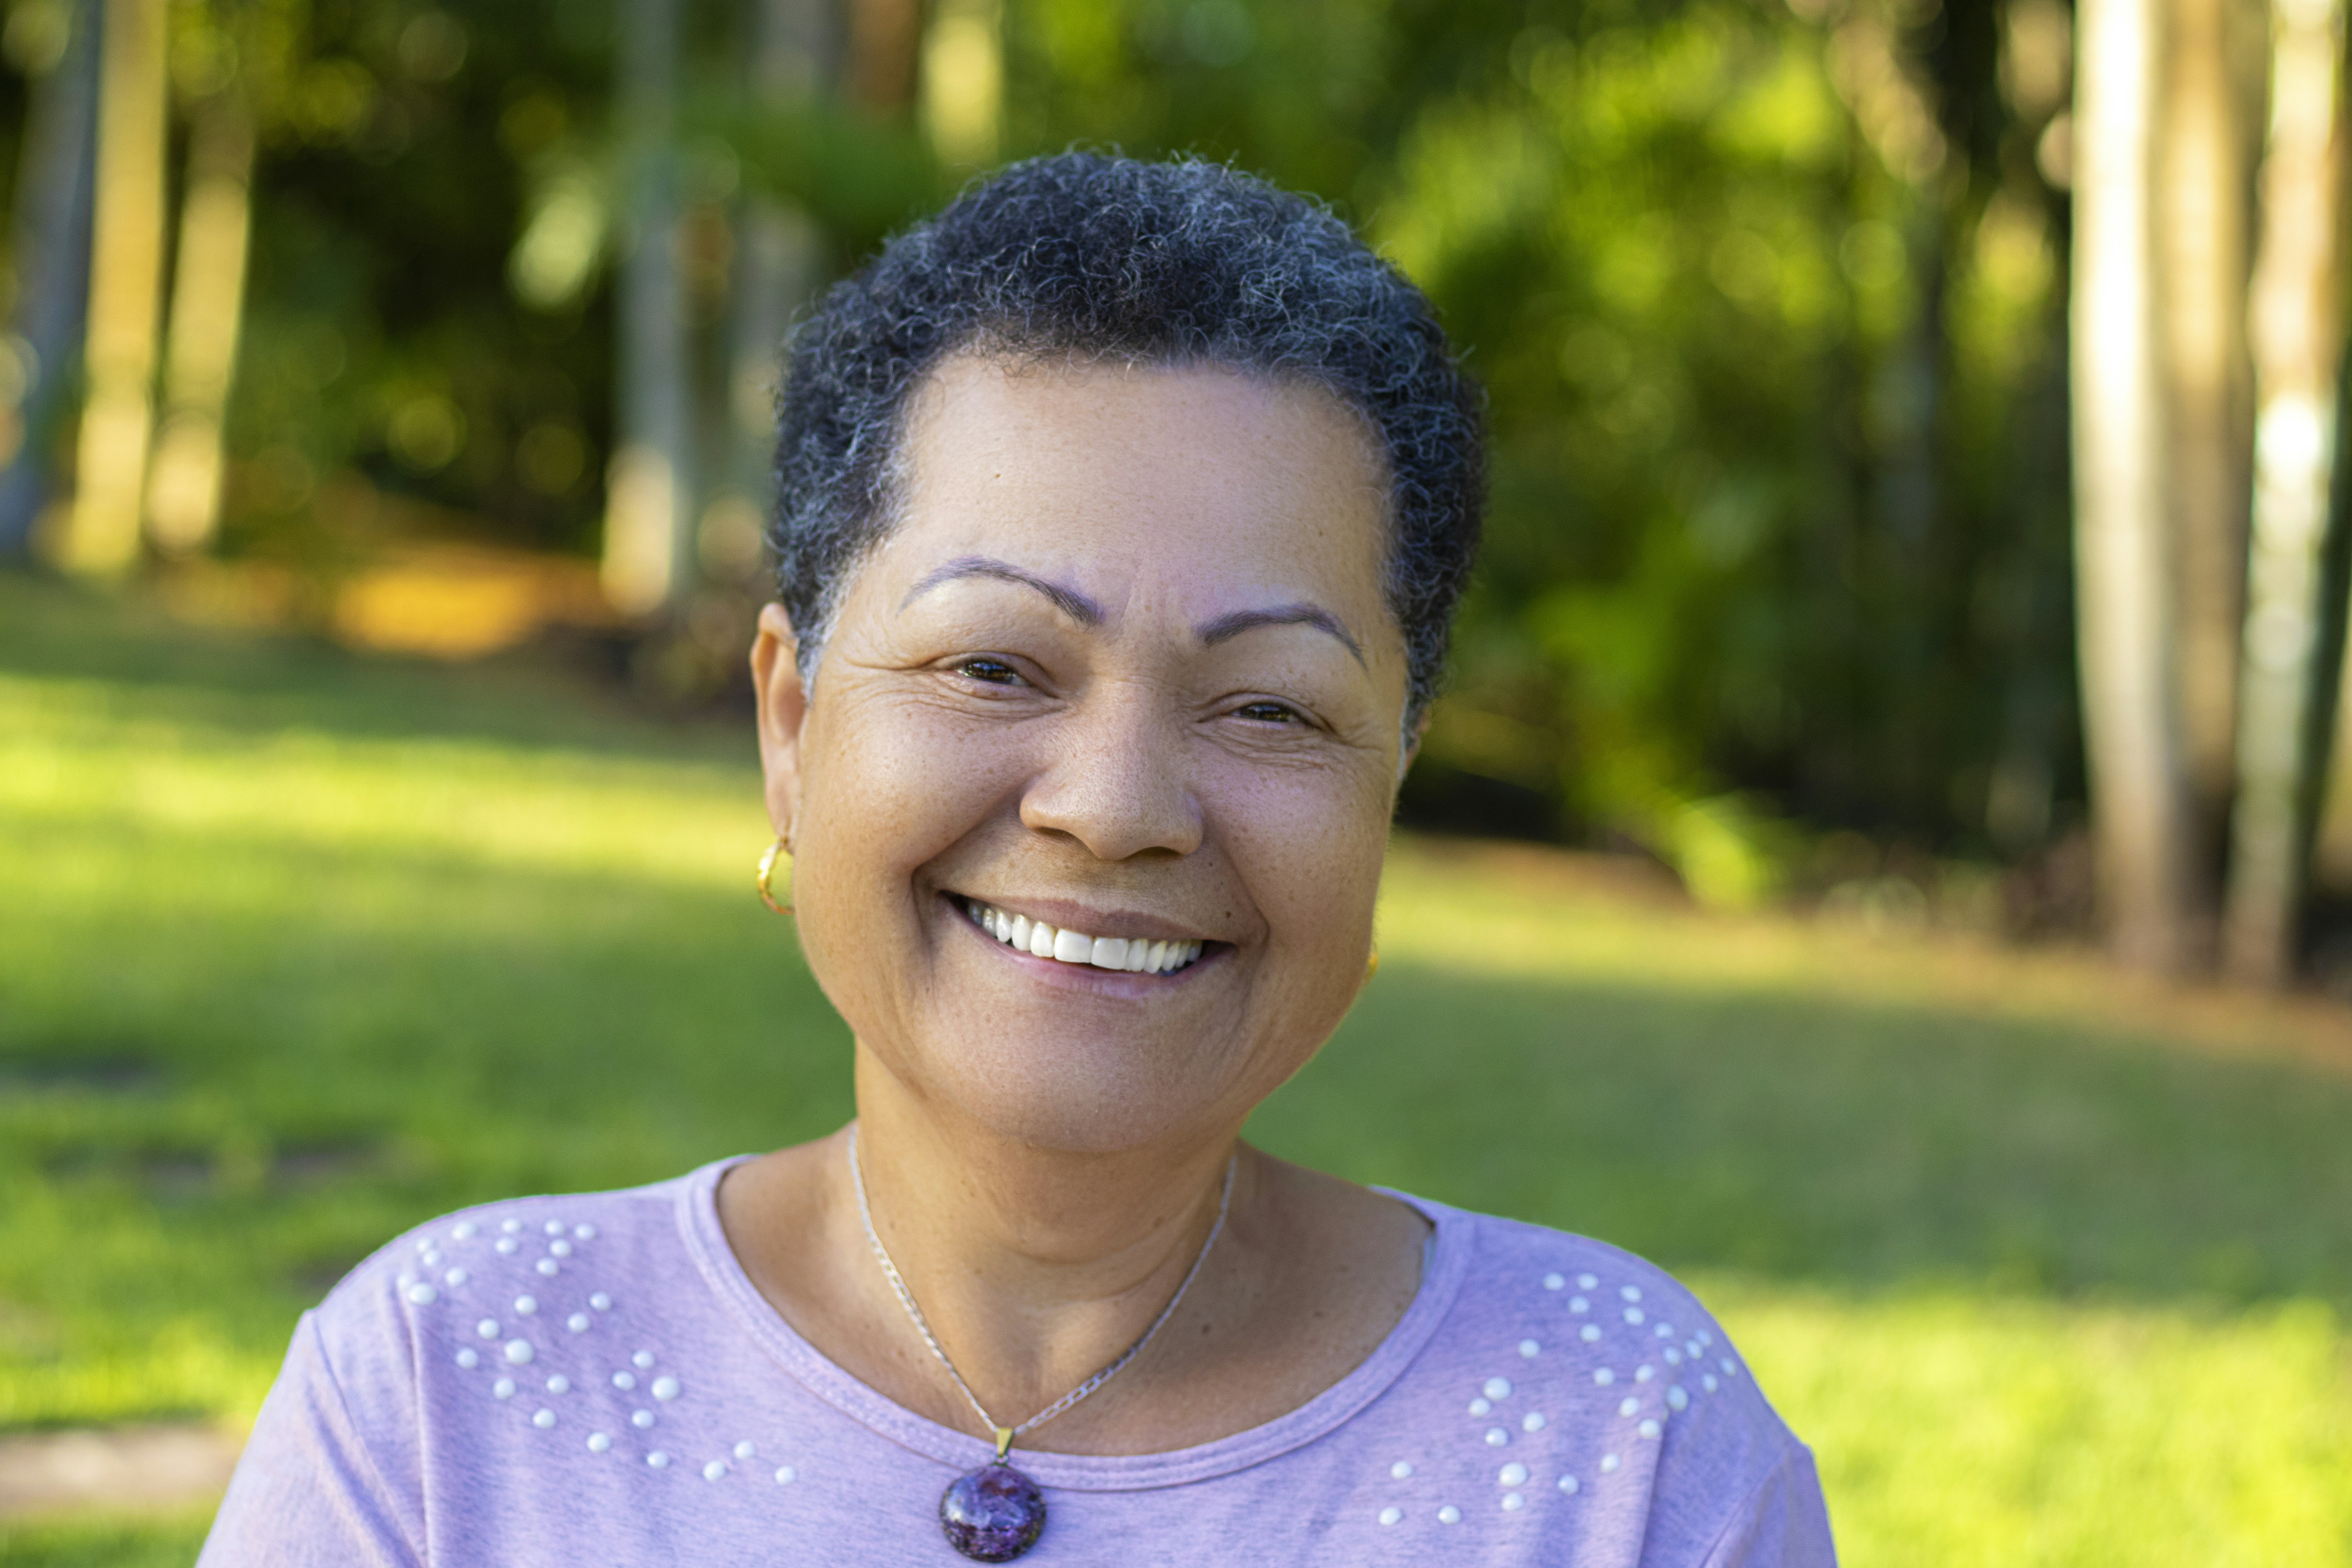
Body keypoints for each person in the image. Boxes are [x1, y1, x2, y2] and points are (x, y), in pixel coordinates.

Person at [198, 152, 1835, 1567]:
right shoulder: (452, 1394)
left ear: (1389, 783)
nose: (1117, 803)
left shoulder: (1622, 1454)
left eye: (1269, 703)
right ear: (791, 723)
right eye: (996, 665)